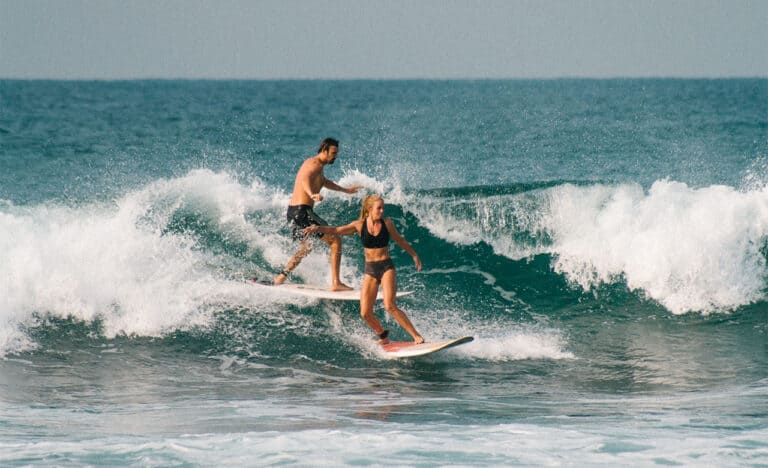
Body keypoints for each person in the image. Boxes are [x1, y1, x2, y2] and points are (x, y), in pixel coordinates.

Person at [304, 195, 424, 344]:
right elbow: (336, 230)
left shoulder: (387, 223)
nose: (382, 211)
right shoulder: (359, 225)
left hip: (386, 267)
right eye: (378, 208)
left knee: (390, 306)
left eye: (383, 208)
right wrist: (318, 228)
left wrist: (414, 255)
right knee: (365, 312)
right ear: (369, 209)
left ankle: (416, 336)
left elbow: (399, 239)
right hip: (370, 270)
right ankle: (383, 335)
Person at [273, 138, 363, 291]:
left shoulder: (318, 167)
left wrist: (345, 190)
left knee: (306, 248)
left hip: (293, 212)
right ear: (324, 151)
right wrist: (312, 194)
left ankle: (280, 277)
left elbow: (324, 181)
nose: (336, 156)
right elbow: (304, 179)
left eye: (336, 153)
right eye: (333, 153)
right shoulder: (313, 164)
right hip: (302, 211)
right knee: (335, 240)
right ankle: (336, 283)